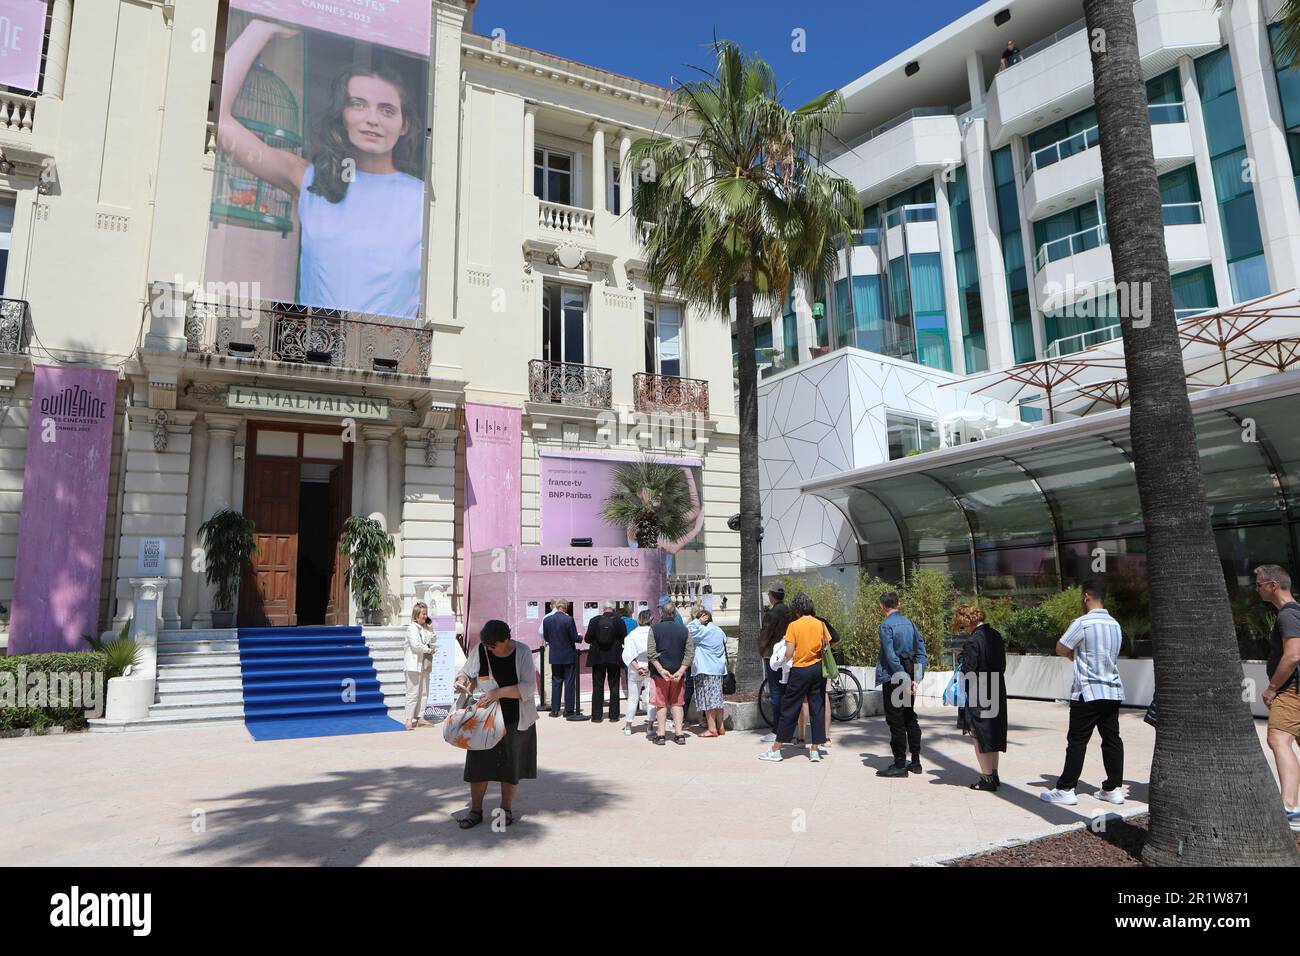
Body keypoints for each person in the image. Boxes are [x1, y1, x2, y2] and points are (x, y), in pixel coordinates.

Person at [218, 19, 424, 318]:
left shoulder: (422, 200)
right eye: (358, 104)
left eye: (387, 110)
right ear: (342, 114)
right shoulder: (309, 178)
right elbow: (221, 123)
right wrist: (261, 28)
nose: (372, 119)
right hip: (313, 355)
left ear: (404, 125)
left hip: (392, 360)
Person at [1040, 579, 1126, 806]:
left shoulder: (1082, 623)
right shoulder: (1115, 625)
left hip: (1087, 691)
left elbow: (1061, 647)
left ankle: (1066, 788)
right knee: (1112, 739)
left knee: (1077, 741)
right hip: (1112, 689)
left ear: (1086, 596)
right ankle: (1113, 789)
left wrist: (1074, 656)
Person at [454, 620, 538, 829]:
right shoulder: (481, 649)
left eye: (494, 646)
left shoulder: (522, 652)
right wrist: (461, 680)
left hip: (515, 718)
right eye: (487, 646)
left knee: (510, 767)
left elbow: (528, 687)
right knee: (478, 766)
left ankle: (505, 810)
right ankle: (475, 810)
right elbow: (467, 671)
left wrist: (497, 693)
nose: (489, 649)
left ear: (506, 639)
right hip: (484, 719)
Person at [1254, 565, 1300, 831]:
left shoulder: (1287, 616)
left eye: (1259, 584)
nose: (1257, 589)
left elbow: (1293, 655)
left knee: (1278, 739)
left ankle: (1290, 807)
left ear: (1273, 585)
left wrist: (1272, 688)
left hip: (1290, 690)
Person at [760, 592, 830, 763]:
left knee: (789, 708)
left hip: (800, 670)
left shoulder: (794, 626)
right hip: (818, 669)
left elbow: (789, 652)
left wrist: (782, 660)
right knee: (817, 708)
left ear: (796, 609)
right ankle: (815, 750)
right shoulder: (820, 624)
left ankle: (776, 749)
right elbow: (827, 644)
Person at [953, 604, 1008, 792]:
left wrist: (961, 658)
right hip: (996, 687)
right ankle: (994, 773)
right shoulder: (996, 636)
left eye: (962, 626)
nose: (963, 629)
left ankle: (987, 778)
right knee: (993, 732)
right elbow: (1002, 665)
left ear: (968, 622)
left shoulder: (973, 641)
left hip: (979, 691)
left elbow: (969, 671)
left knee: (980, 734)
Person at [876, 591, 928, 778]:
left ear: (882, 606)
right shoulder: (910, 624)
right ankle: (915, 762)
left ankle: (899, 763)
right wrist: (916, 677)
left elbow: (890, 656)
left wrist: (904, 678)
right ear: (898, 604)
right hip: (909, 674)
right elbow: (922, 652)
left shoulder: (885, 626)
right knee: (909, 718)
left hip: (894, 677)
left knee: (896, 721)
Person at [647, 603, 694, 745]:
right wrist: (680, 671)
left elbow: (651, 653)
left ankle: (661, 735)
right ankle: (679, 734)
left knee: (661, 704)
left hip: (660, 673)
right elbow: (690, 653)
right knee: (677, 703)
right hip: (677, 673)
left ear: (661, 613)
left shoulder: (654, 629)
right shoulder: (684, 630)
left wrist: (661, 670)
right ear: (674, 614)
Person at [584, 601, 627, 723]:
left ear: (603, 608)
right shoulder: (619, 621)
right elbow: (624, 638)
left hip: (597, 658)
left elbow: (587, 639)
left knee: (597, 686)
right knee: (614, 686)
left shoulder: (594, 620)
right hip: (614, 657)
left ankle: (597, 716)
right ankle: (614, 716)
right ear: (614, 609)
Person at [759, 587, 792, 744]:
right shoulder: (789, 612)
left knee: (776, 693)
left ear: (772, 597)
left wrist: (761, 650)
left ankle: (777, 730)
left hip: (773, 656)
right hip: (788, 654)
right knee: (786, 691)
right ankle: (788, 728)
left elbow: (765, 635)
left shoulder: (772, 614)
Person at [691, 607, 728, 738]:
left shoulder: (703, 630)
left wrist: (697, 621)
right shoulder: (719, 630)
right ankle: (720, 726)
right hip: (718, 669)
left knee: (709, 700)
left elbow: (688, 629)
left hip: (706, 668)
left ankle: (712, 729)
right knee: (717, 698)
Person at [542, 600, 580, 718]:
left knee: (556, 682)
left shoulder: (547, 620)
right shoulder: (568, 619)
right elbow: (574, 637)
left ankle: (555, 710)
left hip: (555, 655)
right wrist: (580, 637)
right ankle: (568, 710)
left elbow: (546, 637)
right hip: (568, 655)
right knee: (569, 682)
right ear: (566, 607)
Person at [622, 609, 656, 737]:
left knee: (633, 697)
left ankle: (628, 726)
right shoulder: (653, 634)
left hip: (635, 667)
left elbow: (628, 654)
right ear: (651, 620)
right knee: (650, 697)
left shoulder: (632, 635)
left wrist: (637, 668)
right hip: (650, 666)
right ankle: (650, 726)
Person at [404, 601, 437, 730]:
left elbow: (433, 640)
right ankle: (408, 720)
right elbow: (415, 646)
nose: (425, 616)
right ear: (417, 614)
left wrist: (430, 627)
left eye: (426, 614)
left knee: (424, 692)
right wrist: (429, 650)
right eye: (423, 614)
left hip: (424, 664)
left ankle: (420, 718)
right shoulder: (412, 628)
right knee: (412, 693)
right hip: (413, 665)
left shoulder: (424, 629)